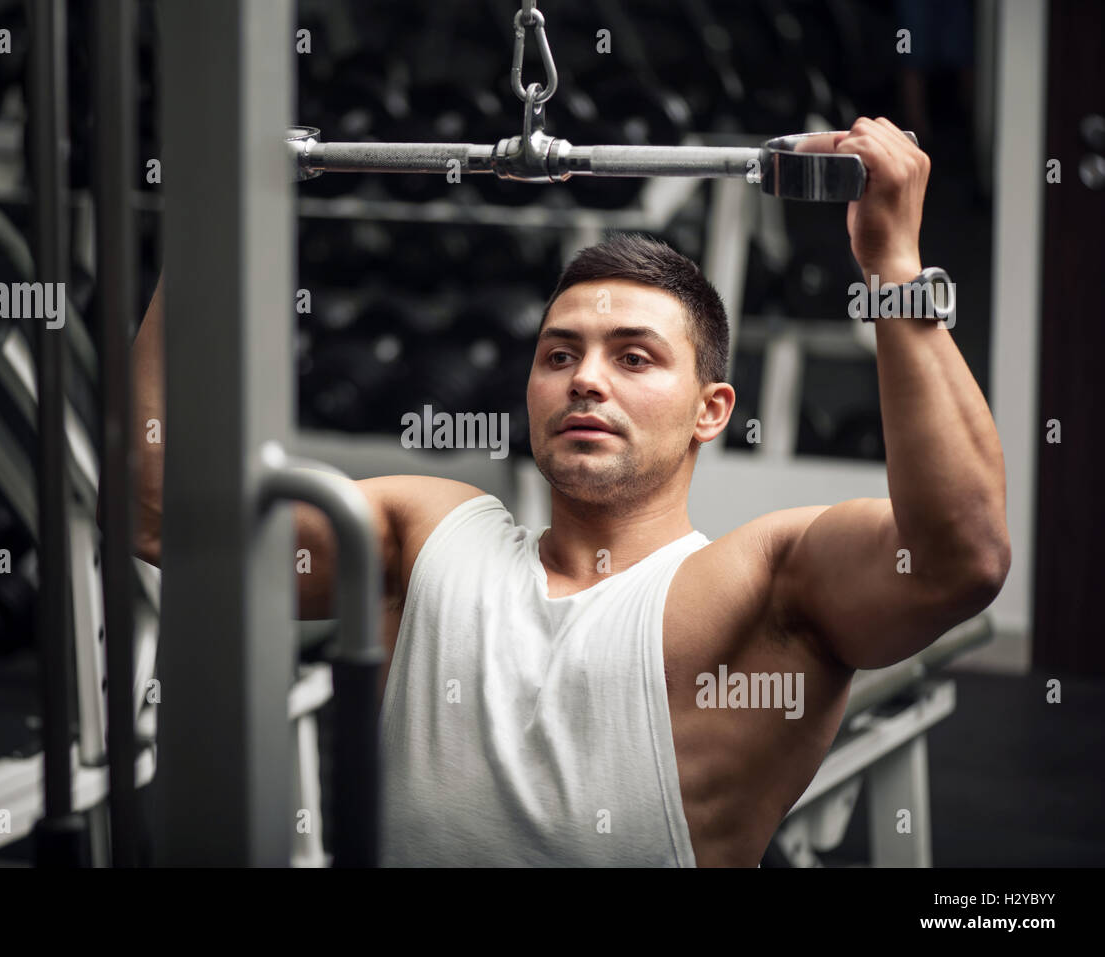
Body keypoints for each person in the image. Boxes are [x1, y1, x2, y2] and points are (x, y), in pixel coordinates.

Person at [131, 117, 1010, 867]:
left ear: (712, 411)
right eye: (559, 355)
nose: (586, 378)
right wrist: (203, 230)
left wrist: (894, 264)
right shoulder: (424, 533)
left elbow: (959, 560)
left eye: (634, 357)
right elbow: (161, 510)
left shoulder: (760, 586)